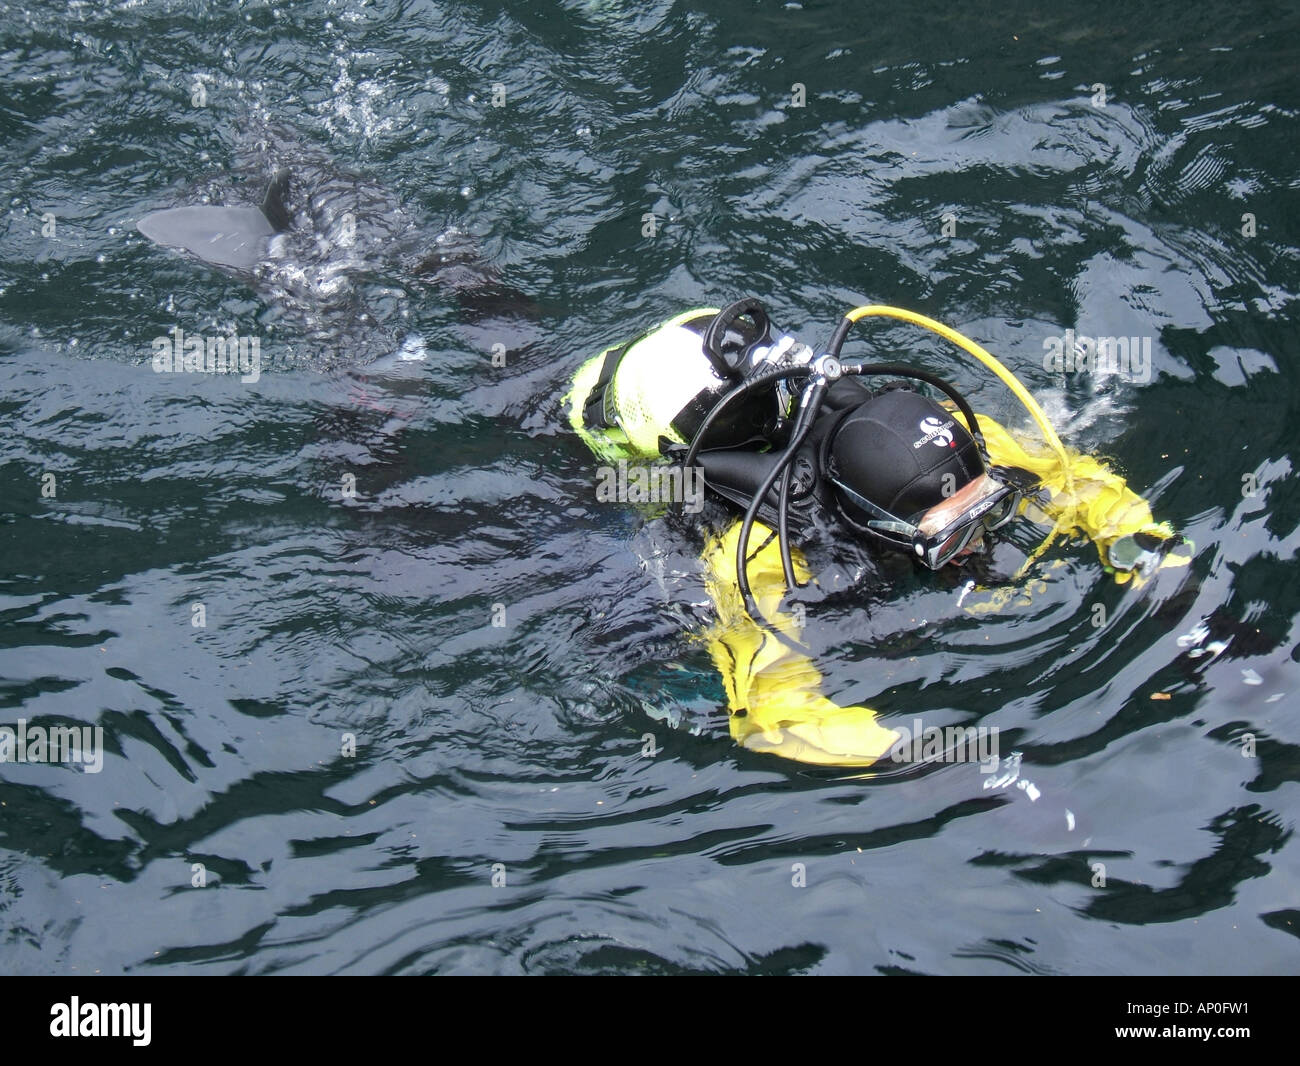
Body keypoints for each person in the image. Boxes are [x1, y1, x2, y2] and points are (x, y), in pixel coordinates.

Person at [564, 299, 1192, 768]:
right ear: (874, 524)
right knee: (638, 652)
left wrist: (1152, 563)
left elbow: (1080, 484)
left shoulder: (953, 440)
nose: (979, 545)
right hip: (606, 459)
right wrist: (939, 760)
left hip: (725, 399)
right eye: (949, 540)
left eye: (988, 512)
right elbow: (777, 718)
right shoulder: (758, 554)